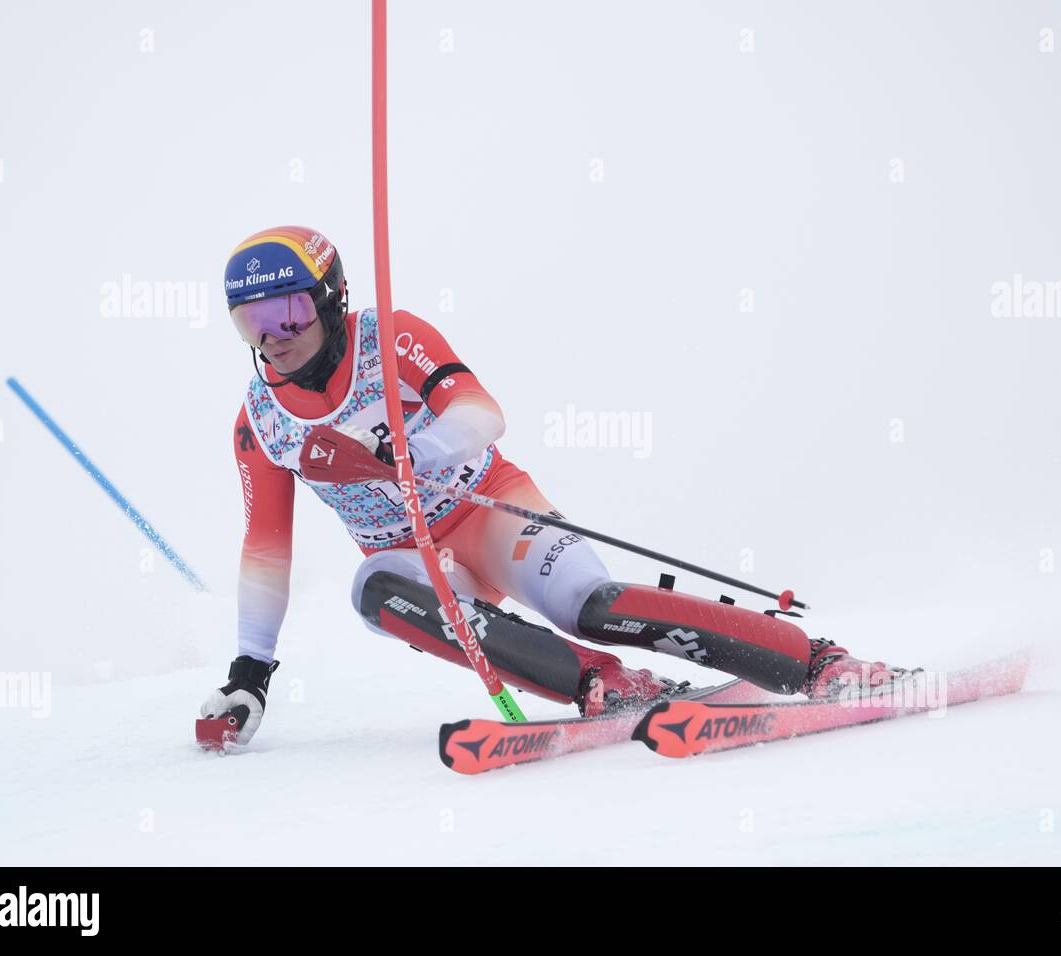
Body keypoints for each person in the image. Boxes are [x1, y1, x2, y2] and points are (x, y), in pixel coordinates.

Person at [200, 225, 903, 744]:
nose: (273, 338)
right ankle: (602, 681)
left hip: (490, 511)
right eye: (251, 323)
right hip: (420, 560)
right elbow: (266, 549)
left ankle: (815, 663)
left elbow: (482, 413)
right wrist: (249, 674)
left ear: (329, 300)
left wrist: (416, 447)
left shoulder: (390, 339)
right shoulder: (260, 421)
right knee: (373, 592)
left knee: (585, 603)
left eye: (286, 313)